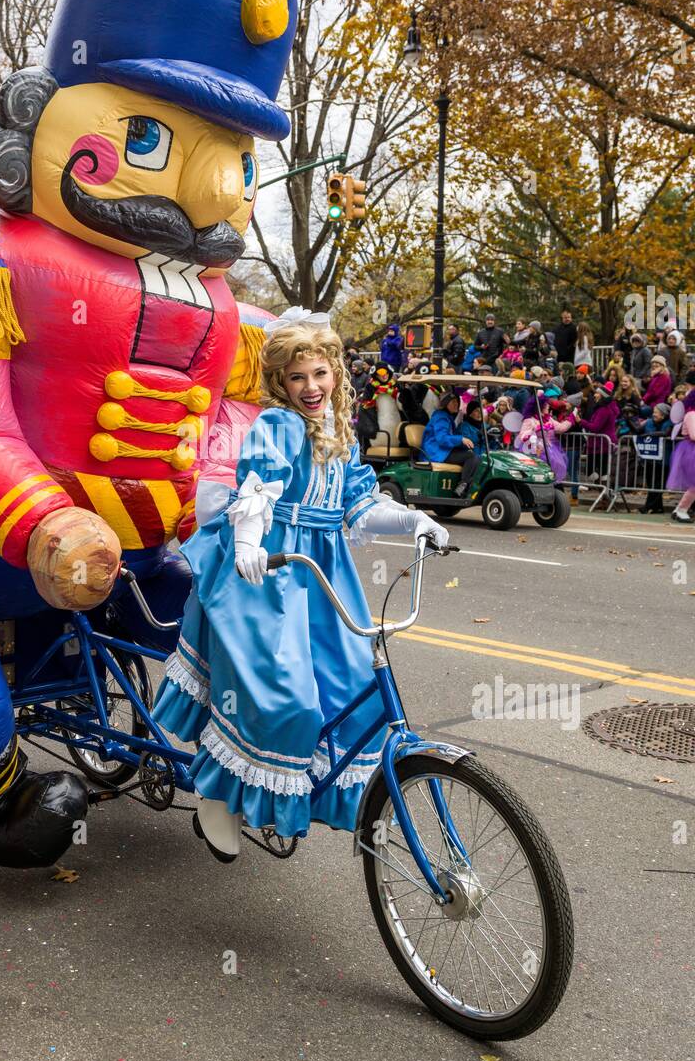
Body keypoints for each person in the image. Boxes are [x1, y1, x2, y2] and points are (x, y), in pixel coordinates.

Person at [149, 316, 449, 858]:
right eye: (296, 378)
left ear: (335, 372)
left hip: (323, 575)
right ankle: (216, 798)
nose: (311, 388)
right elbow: (258, 488)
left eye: (319, 373)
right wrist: (245, 544)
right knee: (283, 700)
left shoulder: (339, 433)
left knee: (352, 692)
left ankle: (295, 797)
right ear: (280, 384)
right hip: (268, 567)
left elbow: (358, 503)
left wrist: (411, 522)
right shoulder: (279, 426)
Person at [422, 391, 481, 497]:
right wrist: (461, 439)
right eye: (452, 402)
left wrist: (462, 442)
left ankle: (464, 484)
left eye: (457, 402)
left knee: (471, 454)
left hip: (442, 450)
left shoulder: (447, 417)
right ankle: (462, 486)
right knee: (471, 456)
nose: (456, 404)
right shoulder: (441, 417)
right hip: (436, 451)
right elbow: (442, 438)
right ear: (445, 404)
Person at [636, 402, 672, 514]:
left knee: (658, 484)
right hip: (649, 459)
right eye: (654, 411)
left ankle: (647, 506)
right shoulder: (649, 421)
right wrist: (628, 419)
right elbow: (637, 430)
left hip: (664, 460)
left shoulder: (669, 423)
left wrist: (650, 434)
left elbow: (665, 433)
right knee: (651, 484)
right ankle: (658, 508)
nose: (654, 414)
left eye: (656, 412)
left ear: (663, 414)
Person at [667, 387, 695, 523]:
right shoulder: (691, 415)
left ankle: (680, 509)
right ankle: (681, 510)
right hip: (691, 451)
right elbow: (694, 435)